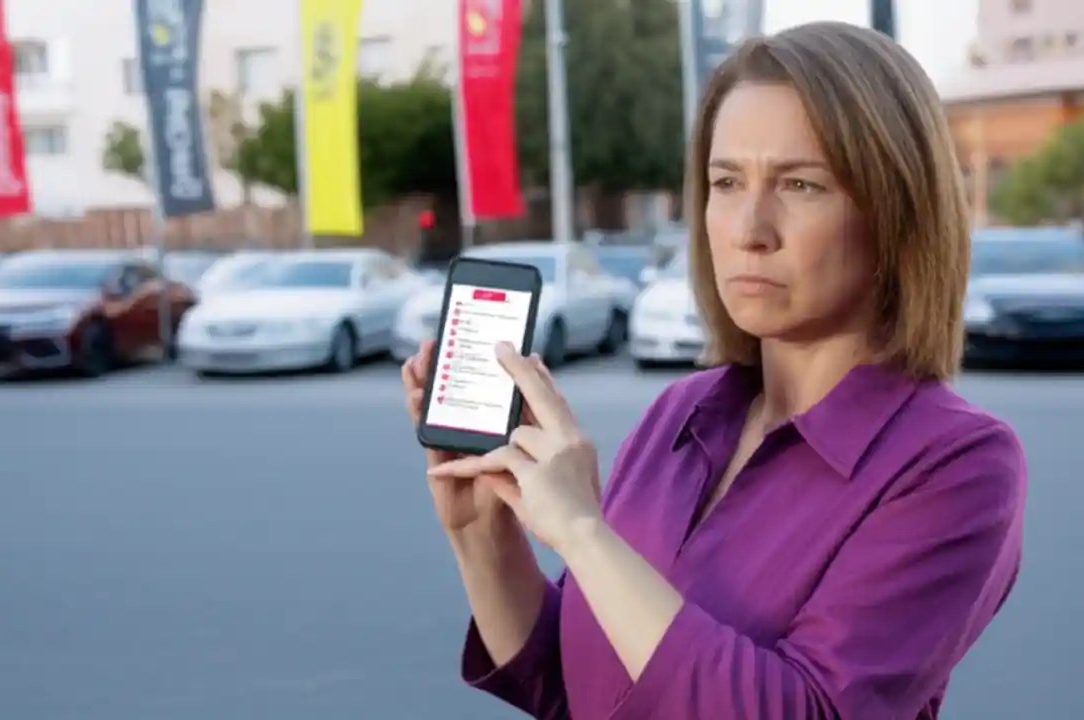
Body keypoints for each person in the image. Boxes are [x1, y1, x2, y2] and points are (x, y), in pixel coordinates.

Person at [400, 21, 1026, 720]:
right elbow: (575, 685)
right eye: (727, 182)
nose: (748, 227)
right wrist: (483, 533)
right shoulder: (682, 412)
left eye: (800, 183)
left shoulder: (958, 464)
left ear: (897, 213)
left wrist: (583, 532)